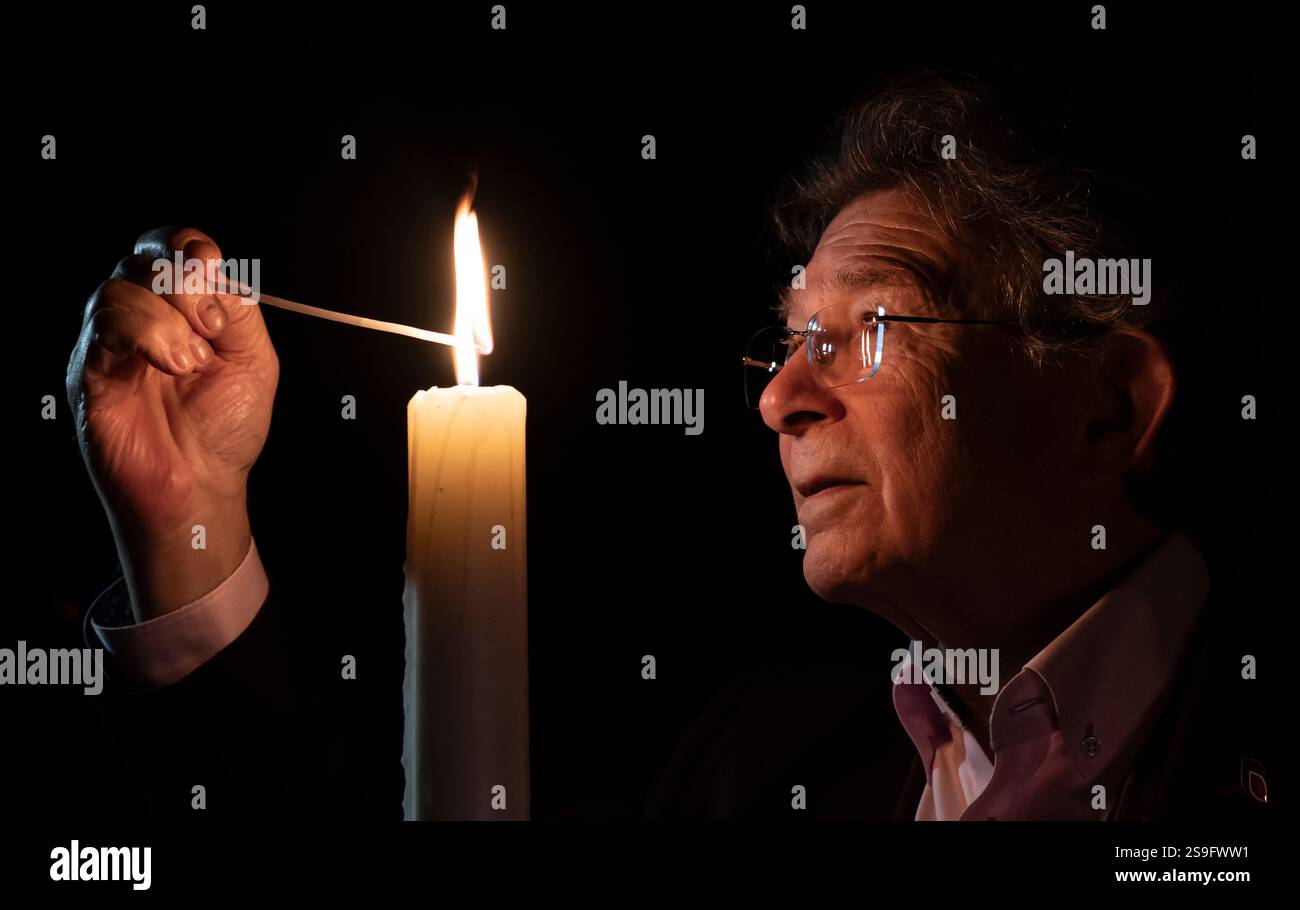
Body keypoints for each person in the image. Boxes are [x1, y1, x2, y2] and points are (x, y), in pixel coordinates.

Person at [67, 73, 1269, 820]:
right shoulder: (748, 765)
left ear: (1104, 407)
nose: (780, 399)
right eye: (787, 342)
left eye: (872, 328)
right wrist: (187, 521)